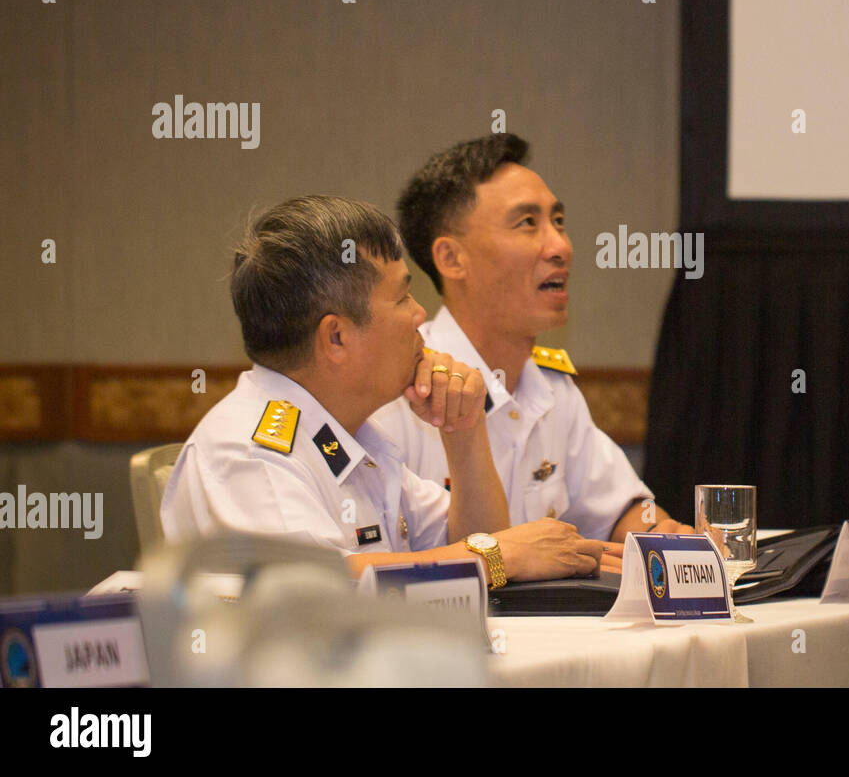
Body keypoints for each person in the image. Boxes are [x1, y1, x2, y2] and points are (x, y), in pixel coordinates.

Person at [161, 194, 608, 583]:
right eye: (401, 299)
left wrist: (464, 430)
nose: (419, 315)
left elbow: (470, 542)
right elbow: (313, 591)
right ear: (336, 337)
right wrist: (499, 555)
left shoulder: (353, 438)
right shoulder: (251, 452)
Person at [394, 135, 692, 542]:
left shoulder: (552, 388)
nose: (561, 247)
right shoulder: (401, 388)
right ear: (451, 258)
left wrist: (673, 540)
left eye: (559, 222)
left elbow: (620, 509)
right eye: (527, 223)